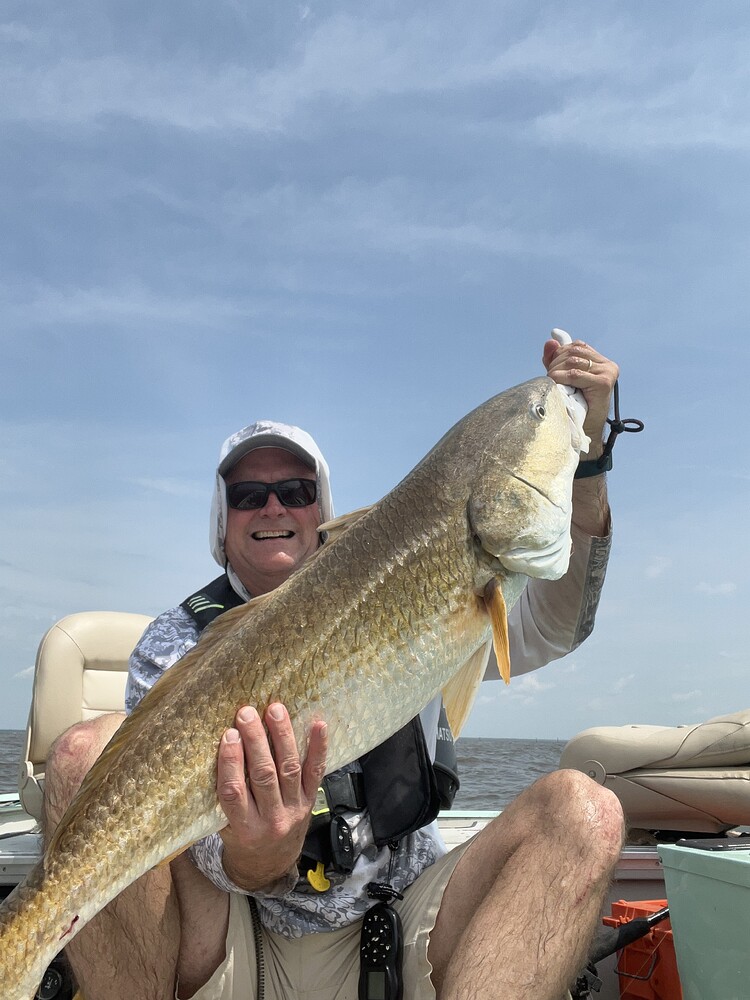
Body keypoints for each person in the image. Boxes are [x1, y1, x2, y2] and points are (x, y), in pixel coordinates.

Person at [43, 337, 625, 1000]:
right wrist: (262, 848)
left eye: (294, 490)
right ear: (221, 517)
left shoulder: (416, 580)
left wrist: (590, 455)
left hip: (399, 923)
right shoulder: (177, 641)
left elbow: (558, 624)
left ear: (323, 508)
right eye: (249, 494)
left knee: (588, 812)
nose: (273, 508)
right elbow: (214, 861)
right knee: (85, 755)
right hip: (238, 942)